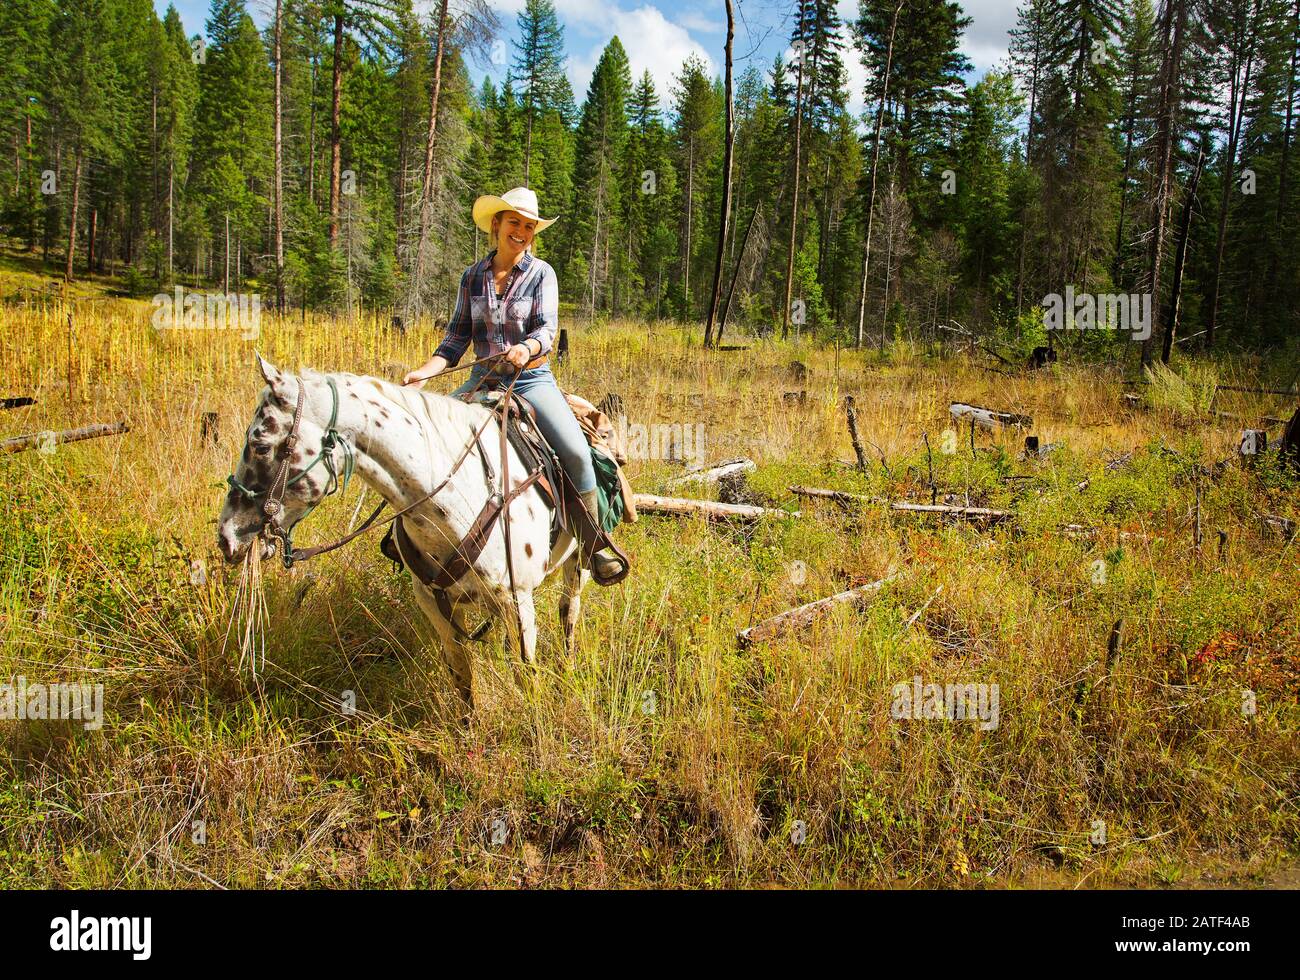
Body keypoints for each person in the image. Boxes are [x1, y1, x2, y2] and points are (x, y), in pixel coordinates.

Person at [403, 186, 620, 580]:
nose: (520, 231)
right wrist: (426, 371)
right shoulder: (472, 276)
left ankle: (593, 544)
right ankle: (409, 541)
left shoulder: (542, 274)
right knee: (426, 440)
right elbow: (455, 338)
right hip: (480, 380)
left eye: (528, 226)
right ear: (497, 225)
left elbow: (547, 328)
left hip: (531, 381)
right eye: (513, 222)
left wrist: (527, 347)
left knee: (575, 452)